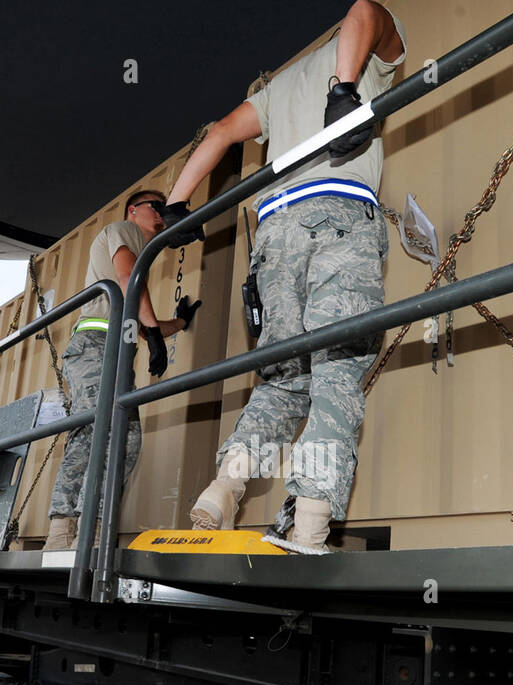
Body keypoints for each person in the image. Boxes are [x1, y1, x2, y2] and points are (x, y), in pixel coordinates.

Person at [163, 0, 405, 553]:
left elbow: (223, 130)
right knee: (336, 376)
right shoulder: (365, 57)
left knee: (285, 382)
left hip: (275, 239)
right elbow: (367, 8)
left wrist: (178, 205)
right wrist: (345, 90)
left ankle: (224, 488)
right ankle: (311, 525)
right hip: (337, 217)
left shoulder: (277, 87)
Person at [43, 189, 202, 551]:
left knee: (122, 439)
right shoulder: (123, 232)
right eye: (157, 207)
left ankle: (90, 526)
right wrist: (155, 335)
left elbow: (144, 324)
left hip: (114, 354)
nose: (162, 214)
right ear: (134, 211)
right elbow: (128, 276)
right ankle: (65, 533)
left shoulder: (143, 252)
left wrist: (177, 324)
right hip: (97, 347)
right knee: (95, 433)